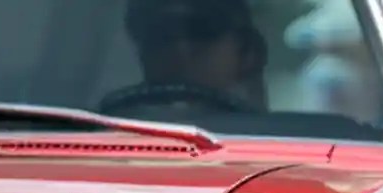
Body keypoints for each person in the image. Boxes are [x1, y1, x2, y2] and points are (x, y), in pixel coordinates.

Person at [103, 0, 269, 114]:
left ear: (245, 52)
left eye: (203, 29)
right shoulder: (100, 131)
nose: (180, 48)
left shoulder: (271, 138)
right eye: (161, 32)